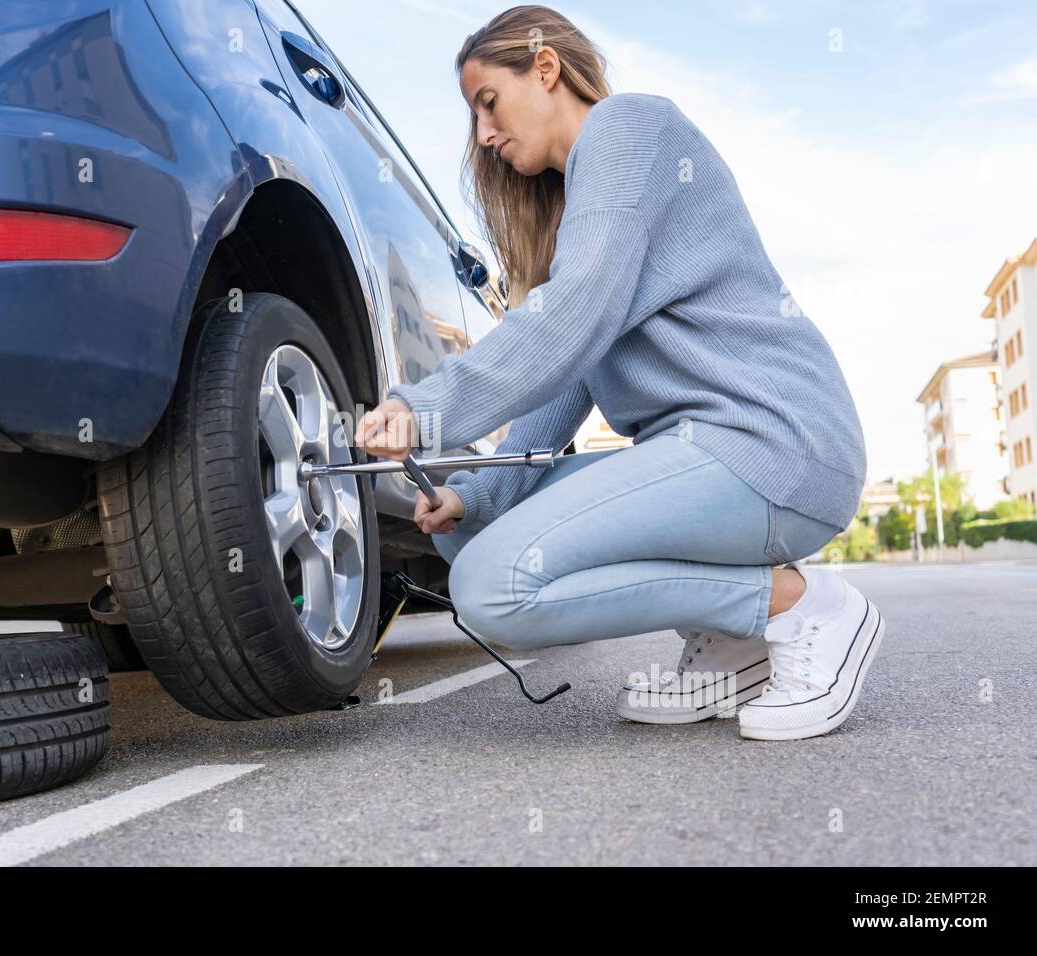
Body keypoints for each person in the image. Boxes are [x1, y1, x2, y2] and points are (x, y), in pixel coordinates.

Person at [353, 4, 885, 741]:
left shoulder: (631, 129)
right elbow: (569, 373)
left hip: (775, 445)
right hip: (708, 456)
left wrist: (426, 410)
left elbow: (566, 322)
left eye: (488, 102)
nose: (483, 133)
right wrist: (476, 497)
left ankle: (796, 608)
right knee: (469, 541)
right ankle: (737, 648)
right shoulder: (586, 211)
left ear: (545, 68)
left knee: (489, 588)